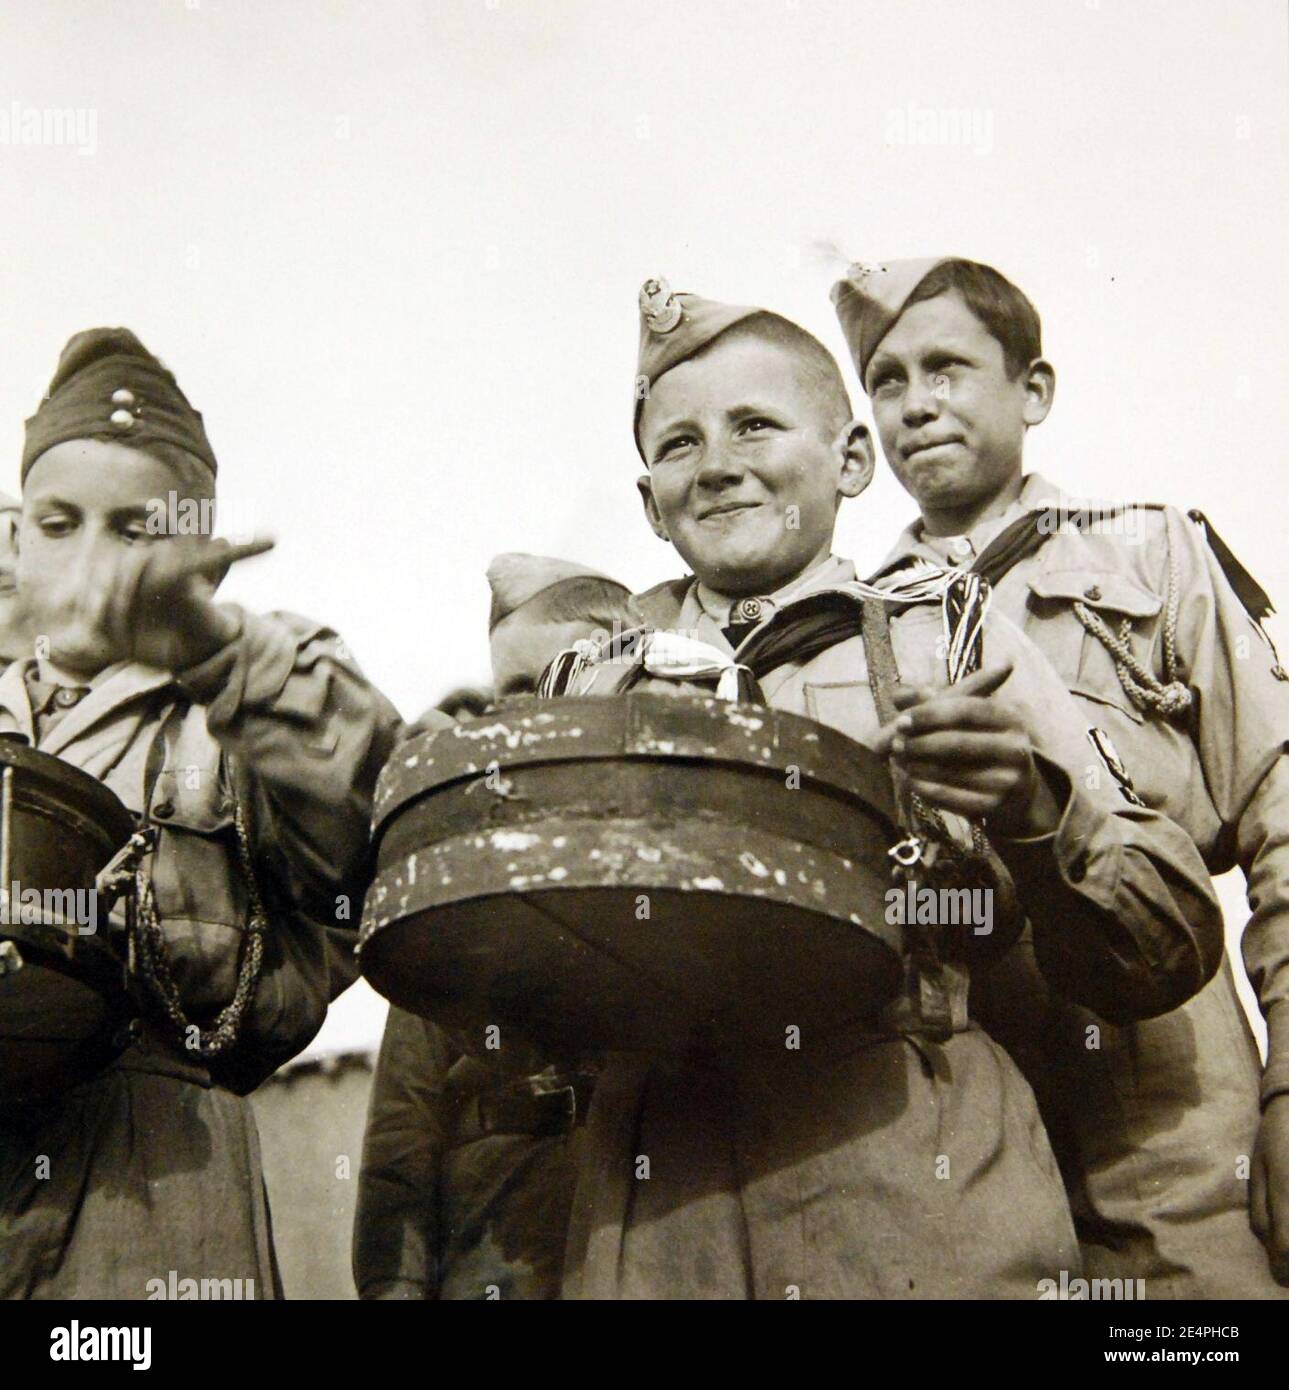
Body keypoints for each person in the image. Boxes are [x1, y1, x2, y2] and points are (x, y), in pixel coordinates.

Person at [546, 280, 1224, 1299]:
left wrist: (1034, 811)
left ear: (851, 461)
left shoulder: (943, 637)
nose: (718, 463)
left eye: (755, 425)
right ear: (648, 501)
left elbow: (1161, 941)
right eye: (678, 443)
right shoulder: (588, 689)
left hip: (917, 1194)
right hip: (654, 1224)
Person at [835, 255, 1289, 1297]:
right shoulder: (856, 624)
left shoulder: (1147, 556)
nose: (916, 403)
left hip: (1169, 1110)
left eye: (945, 367)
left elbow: (1278, 814)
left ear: (1031, 390)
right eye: (888, 381)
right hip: (957, 1133)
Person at [0, 328, 400, 1299]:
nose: (93, 561)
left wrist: (220, 655)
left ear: (203, 559)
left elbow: (374, 833)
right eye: (60, 524)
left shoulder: (254, 703)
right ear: (14, 538)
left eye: (135, 528)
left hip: (154, 1184)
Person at [353, 555, 634, 1298]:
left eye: (566, 676)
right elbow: (401, 1131)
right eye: (511, 690)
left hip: (646, 1224)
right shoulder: (460, 882)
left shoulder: (674, 859)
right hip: (496, 1237)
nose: (534, 709)